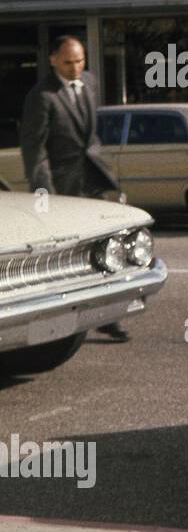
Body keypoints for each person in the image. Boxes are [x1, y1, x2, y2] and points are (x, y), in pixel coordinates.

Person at [20, 35, 128, 340]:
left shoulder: (90, 83)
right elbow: (34, 150)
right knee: (72, 255)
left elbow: (89, 137)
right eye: (68, 62)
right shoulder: (41, 96)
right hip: (62, 188)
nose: (75, 68)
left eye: (79, 61)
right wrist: (45, 195)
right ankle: (60, 317)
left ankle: (108, 315)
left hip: (93, 180)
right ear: (53, 60)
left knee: (107, 247)